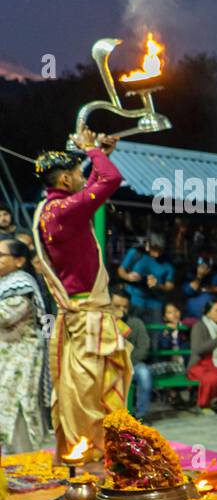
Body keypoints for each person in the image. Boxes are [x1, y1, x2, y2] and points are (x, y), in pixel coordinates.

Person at [30, 129, 132, 461]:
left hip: (83, 311)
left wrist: (100, 153)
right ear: (64, 179)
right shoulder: (62, 211)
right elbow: (110, 180)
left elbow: (93, 188)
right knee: (90, 391)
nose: (81, 179)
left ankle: (93, 452)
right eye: (76, 175)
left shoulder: (53, 208)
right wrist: (92, 151)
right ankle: (94, 456)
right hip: (87, 315)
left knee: (84, 387)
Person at [0, 239, 48, 452]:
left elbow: (5, 317)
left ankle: (23, 463)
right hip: (6, 357)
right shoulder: (6, 282)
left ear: (19, 261)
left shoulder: (20, 284)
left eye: (1, 255)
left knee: (18, 407)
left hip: (20, 359)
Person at [110, 287, 153, 422]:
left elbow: (144, 347)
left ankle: (141, 415)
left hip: (131, 364)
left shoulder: (136, 323)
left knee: (144, 373)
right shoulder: (100, 322)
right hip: (106, 365)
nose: (121, 310)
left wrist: (126, 362)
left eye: (125, 307)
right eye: (117, 306)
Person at [117, 233, 175, 324]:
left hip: (155, 304)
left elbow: (170, 285)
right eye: (154, 249)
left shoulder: (167, 262)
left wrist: (158, 286)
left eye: (160, 250)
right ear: (148, 245)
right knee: (132, 330)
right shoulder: (136, 253)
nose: (157, 254)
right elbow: (121, 270)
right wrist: (128, 277)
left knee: (154, 332)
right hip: (134, 299)